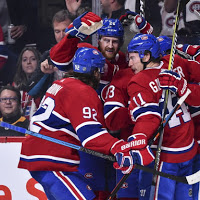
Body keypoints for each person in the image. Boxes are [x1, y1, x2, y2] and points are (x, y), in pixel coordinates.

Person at [17, 46, 154, 200]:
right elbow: (90, 135)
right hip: (52, 161)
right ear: (94, 72)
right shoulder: (82, 91)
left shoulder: (61, 83)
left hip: (43, 158)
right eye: (99, 71)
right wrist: (118, 147)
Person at [127, 33, 200, 200]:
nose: (130, 63)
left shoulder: (139, 80)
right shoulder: (175, 64)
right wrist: (185, 86)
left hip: (165, 156)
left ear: (146, 56)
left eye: (132, 58)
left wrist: (139, 137)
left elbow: (148, 117)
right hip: (188, 147)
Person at [12, 46, 42, 120]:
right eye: (25, 60)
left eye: (33, 59)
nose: (28, 62)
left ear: (39, 62)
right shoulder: (15, 86)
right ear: (21, 64)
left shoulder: (46, 84)